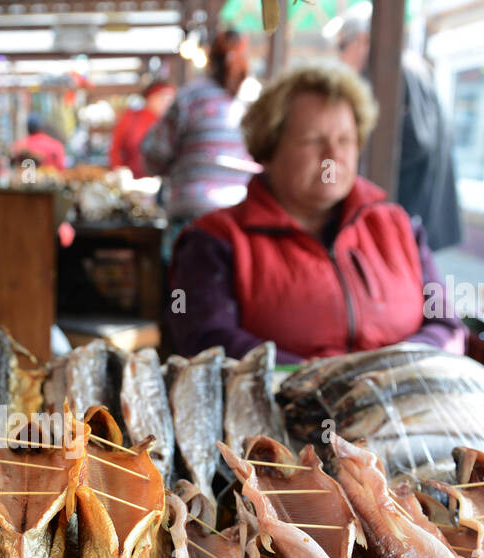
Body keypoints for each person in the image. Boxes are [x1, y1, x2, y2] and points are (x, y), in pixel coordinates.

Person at [163, 61, 465, 362]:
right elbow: (204, 338)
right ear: (268, 149)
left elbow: (444, 322)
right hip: (283, 404)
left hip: (404, 396)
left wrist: (398, 366)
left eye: (345, 140)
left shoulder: (400, 228)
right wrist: (324, 380)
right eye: (313, 141)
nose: (332, 157)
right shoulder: (214, 241)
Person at [334, 3, 462, 251]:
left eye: (342, 47)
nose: (340, 56)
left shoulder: (396, 70)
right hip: (415, 207)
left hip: (412, 207)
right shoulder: (404, 66)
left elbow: (416, 140)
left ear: (362, 40)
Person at [141, 30, 257, 259]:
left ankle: (179, 298)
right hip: (243, 216)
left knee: (183, 289)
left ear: (209, 60)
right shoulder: (254, 100)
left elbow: (156, 153)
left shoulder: (190, 97)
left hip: (192, 215)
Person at [109, 81, 175, 177]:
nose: (167, 103)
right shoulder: (131, 117)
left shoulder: (173, 123)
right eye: (162, 97)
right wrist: (120, 172)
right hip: (134, 181)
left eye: (171, 99)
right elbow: (115, 149)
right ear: (150, 97)